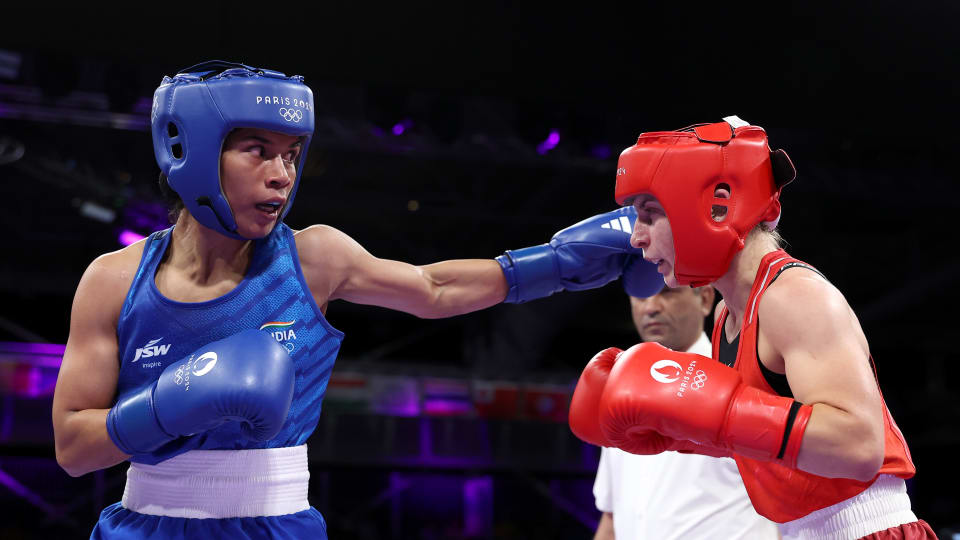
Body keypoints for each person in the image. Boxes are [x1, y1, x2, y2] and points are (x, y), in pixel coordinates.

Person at [49, 60, 666, 539]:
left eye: (291, 154)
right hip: (144, 524)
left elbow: (434, 288)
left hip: (276, 525)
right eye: (257, 150)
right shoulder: (114, 279)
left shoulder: (314, 257)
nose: (281, 174)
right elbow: (73, 448)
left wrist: (554, 263)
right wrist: (171, 405)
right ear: (191, 151)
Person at [569, 116, 937, 539]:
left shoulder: (792, 295)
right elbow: (762, 438)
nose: (636, 237)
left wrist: (722, 413)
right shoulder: (728, 313)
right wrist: (676, 433)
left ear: (716, 204)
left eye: (650, 215)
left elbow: (858, 446)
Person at [592, 284, 779, 539]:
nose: (651, 307)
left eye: (667, 293)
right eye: (641, 294)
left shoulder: (741, 376)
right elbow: (612, 516)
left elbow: (785, 496)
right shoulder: (616, 392)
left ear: (704, 299)